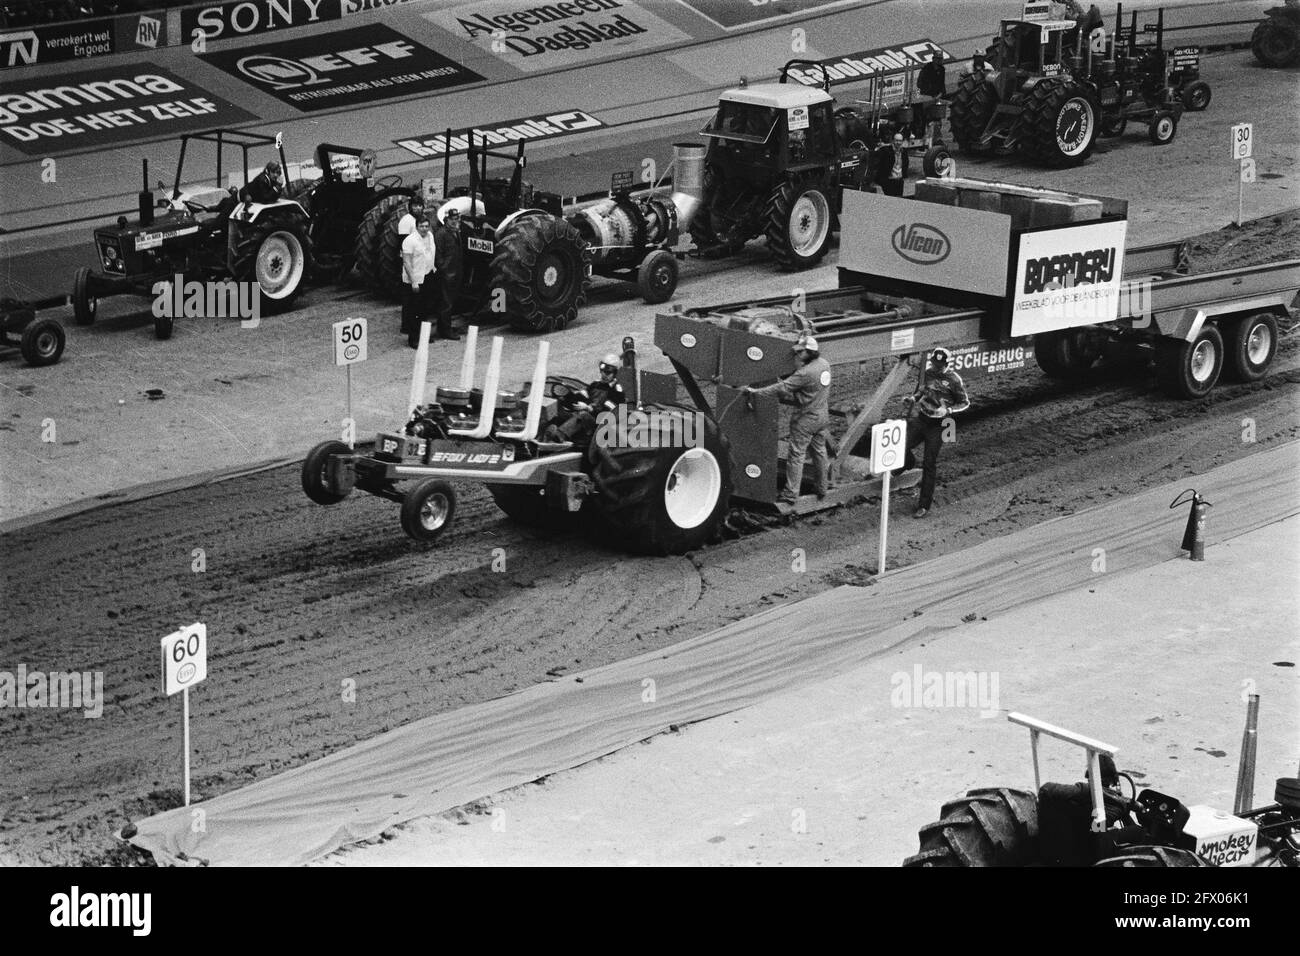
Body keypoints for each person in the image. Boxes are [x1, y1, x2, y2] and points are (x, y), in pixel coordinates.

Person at [745, 336, 831, 505]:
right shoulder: (824, 364)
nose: (798, 355)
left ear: (810, 352)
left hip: (806, 419)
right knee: (819, 452)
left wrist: (755, 392)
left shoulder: (805, 373)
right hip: (821, 416)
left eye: (801, 352)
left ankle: (791, 494)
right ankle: (822, 487)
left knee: (796, 455)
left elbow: (782, 388)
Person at [901, 347, 970, 518]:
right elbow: (921, 391)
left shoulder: (954, 380)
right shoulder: (928, 372)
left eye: (939, 365)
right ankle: (907, 464)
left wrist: (948, 412)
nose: (936, 367)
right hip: (923, 418)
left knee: (929, 463)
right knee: (903, 445)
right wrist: (913, 399)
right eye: (934, 364)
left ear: (946, 364)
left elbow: (965, 402)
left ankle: (924, 505)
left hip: (940, 425)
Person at [543, 353, 626, 445]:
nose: (603, 375)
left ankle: (557, 438)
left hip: (601, 426)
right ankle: (543, 435)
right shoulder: (595, 385)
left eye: (607, 373)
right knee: (561, 412)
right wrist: (566, 395)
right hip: (586, 419)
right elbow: (580, 399)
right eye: (602, 371)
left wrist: (588, 408)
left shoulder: (617, 391)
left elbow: (607, 412)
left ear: (615, 373)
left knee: (583, 415)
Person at [400, 215, 438, 349]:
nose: (424, 229)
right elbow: (407, 262)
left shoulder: (430, 236)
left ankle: (423, 336)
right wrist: (414, 282)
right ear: (416, 227)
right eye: (421, 226)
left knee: (425, 309)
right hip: (415, 279)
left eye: (426, 226)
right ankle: (413, 339)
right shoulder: (409, 241)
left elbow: (430, 253)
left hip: (427, 275)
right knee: (414, 310)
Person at [432, 208, 463, 341]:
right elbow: (438, 255)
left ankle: (444, 327)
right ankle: (446, 331)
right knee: (446, 303)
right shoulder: (441, 234)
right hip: (447, 273)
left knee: (449, 302)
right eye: (452, 219)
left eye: (457, 219)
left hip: (455, 272)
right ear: (446, 220)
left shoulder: (456, 232)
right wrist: (444, 270)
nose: (455, 221)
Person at [874, 131, 909, 197]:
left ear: (902, 141)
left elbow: (906, 164)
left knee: (899, 200)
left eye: (900, 141)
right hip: (889, 181)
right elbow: (878, 164)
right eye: (896, 140)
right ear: (893, 140)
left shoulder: (904, 152)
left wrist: (904, 175)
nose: (898, 143)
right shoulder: (885, 151)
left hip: (899, 181)